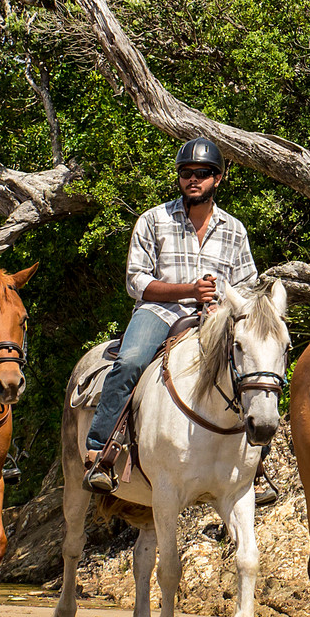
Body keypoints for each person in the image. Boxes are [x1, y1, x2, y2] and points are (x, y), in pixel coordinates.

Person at [82, 137, 258, 491]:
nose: (194, 179)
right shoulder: (153, 220)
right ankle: (101, 451)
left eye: (203, 173)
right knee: (130, 360)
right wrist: (188, 291)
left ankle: (258, 462)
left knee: (253, 366)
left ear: (218, 178)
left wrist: (221, 301)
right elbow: (136, 281)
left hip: (218, 318)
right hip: (160, 311)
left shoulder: (235, 229)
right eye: (186, 173)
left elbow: (248, 286)